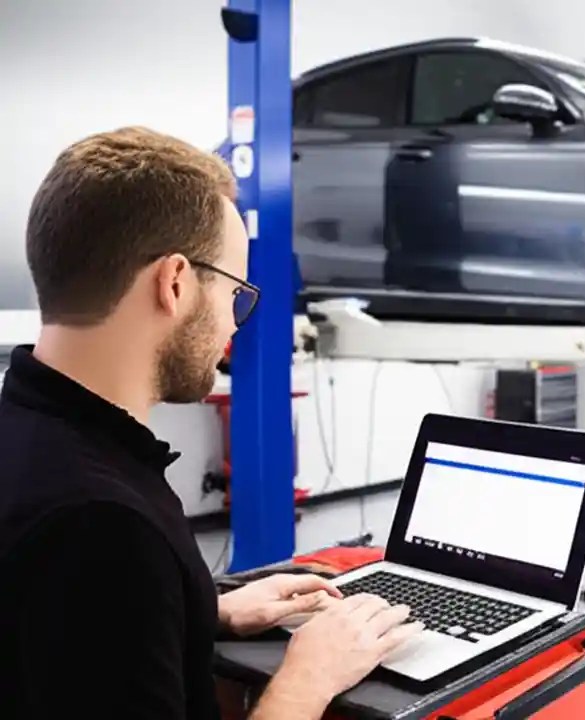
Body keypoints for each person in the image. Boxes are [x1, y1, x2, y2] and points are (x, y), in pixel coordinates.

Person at [0, 127, 423, 719]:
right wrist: (308, 678)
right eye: (235, 295)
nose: (234, 323)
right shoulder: (104, 526)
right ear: (174, 283)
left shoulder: (31, 436)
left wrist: (203, 608)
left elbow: (64, 640)